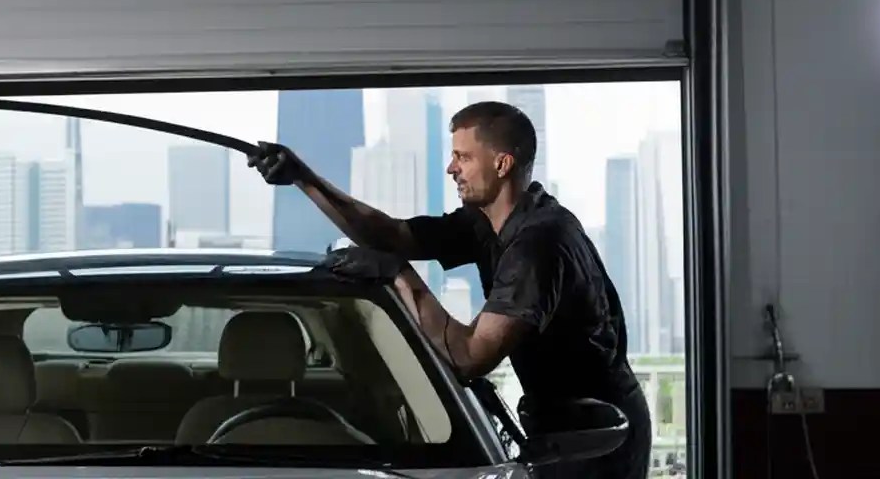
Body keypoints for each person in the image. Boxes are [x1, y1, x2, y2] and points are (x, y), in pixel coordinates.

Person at [250, 100, 651, 478]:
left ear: (502, 163)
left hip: (598, 433)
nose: (450, 168)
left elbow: (468, 356)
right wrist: (304, 179)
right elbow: (393, 234)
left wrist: (398, 275)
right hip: (556, 423)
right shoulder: (485, 223)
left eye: (463, 157)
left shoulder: (538, 245)